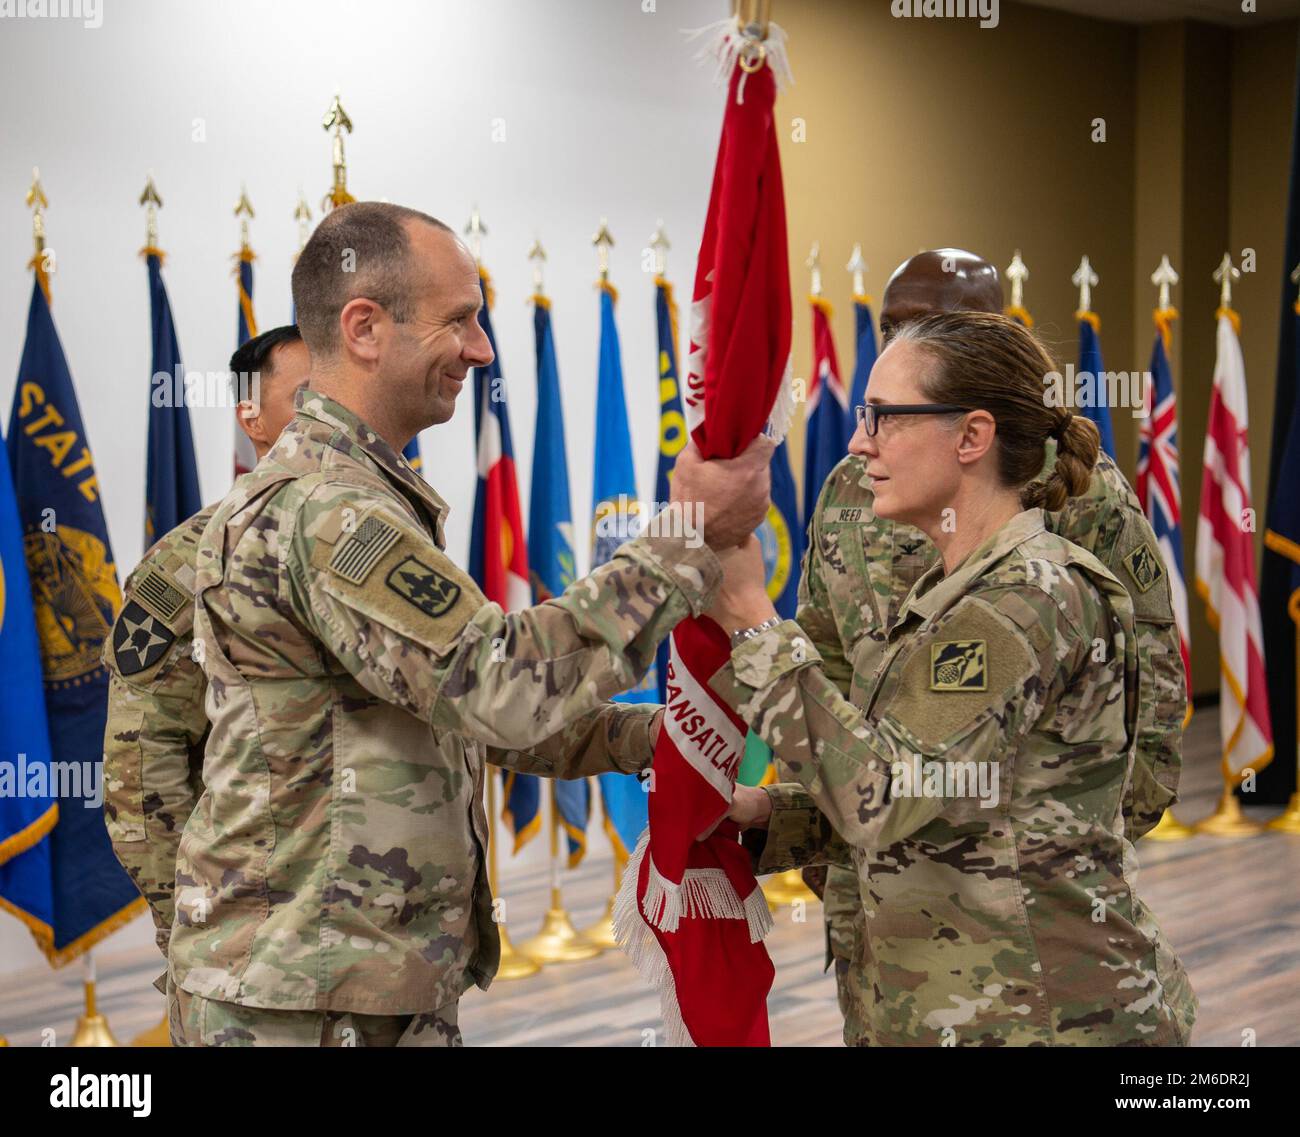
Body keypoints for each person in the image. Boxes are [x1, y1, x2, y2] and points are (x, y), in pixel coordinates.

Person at [167, 201, 772, 1047]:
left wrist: (656, 740)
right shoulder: (331, 511)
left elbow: (448, 710)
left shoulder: (362, 496)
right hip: (307, 1002)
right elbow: (496, 682)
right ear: (366, 327)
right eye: (461, 320)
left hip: (343, 982)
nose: (482, 349)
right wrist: (686, 533)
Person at [705, 310, 1196, 1046]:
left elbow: (883, 799)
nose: (858, 440)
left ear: (972, 436)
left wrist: (749, 614)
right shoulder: (954, 592)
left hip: (1053, 1022)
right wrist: (770, 816)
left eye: (886, 417)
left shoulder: (1026, 600)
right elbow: (944, 808)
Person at [102, 324, 311, 1038]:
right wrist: (192, 926)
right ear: (251, 417)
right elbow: (138, 772)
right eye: (306, 397)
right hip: (246, 949)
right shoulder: (188, 559)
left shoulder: (382, 543)